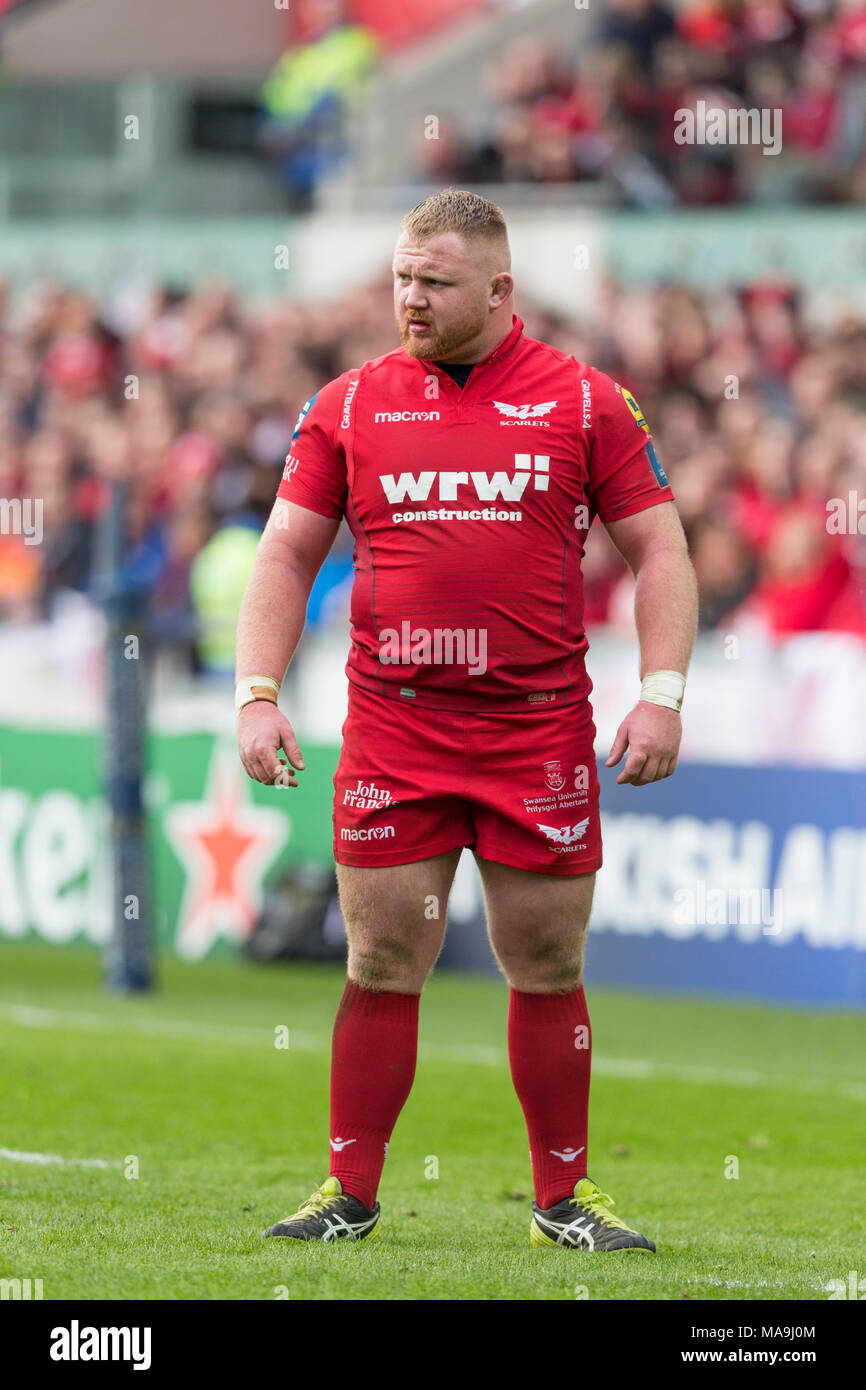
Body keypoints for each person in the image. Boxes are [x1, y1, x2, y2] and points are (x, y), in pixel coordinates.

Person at [235, 189, 698, 1251]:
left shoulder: (585, 402)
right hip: (395, 728)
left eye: (433, 282)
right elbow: (284, 554)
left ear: (498, 290)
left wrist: (661, 692)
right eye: (401, 277)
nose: (410, 298)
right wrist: (255, 695)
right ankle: (347, 1192)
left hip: (534, 729)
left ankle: (562, 1200)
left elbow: (660, 550)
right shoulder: (349, 403)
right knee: (381, 951)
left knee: (542, 954)